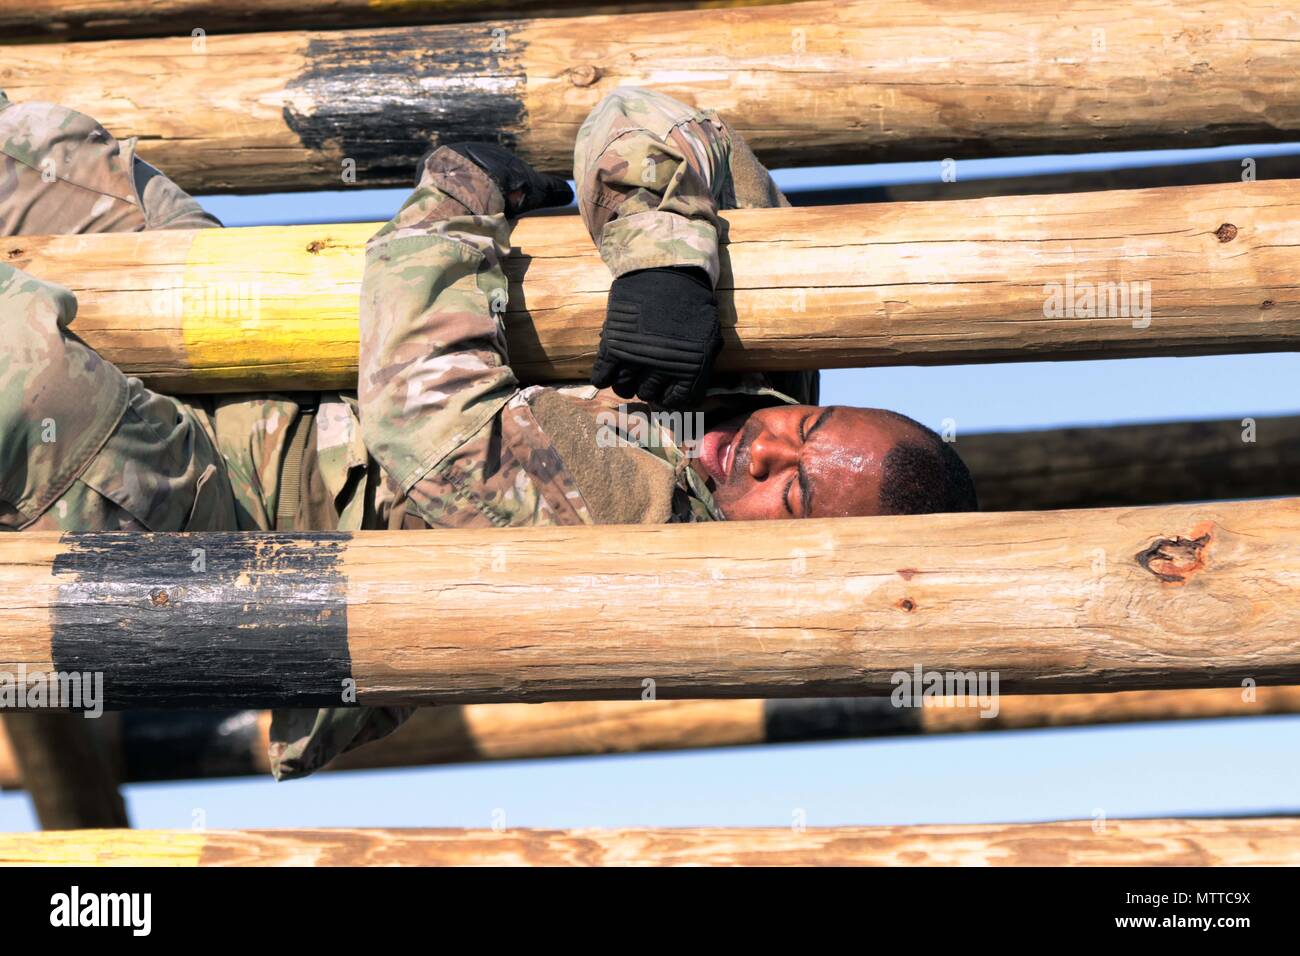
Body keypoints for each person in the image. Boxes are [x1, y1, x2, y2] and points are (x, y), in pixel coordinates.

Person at [0, 87, 976, 779]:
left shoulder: (636, 553)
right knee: (47, 150)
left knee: (21, 368)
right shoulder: (754, 393)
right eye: (801, 427)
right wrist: (665, 260)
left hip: (216, 520)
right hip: (247, 371)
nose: (761, 447)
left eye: (790, 491)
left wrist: (455, 200)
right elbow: (653, 114)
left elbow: (420, 404)